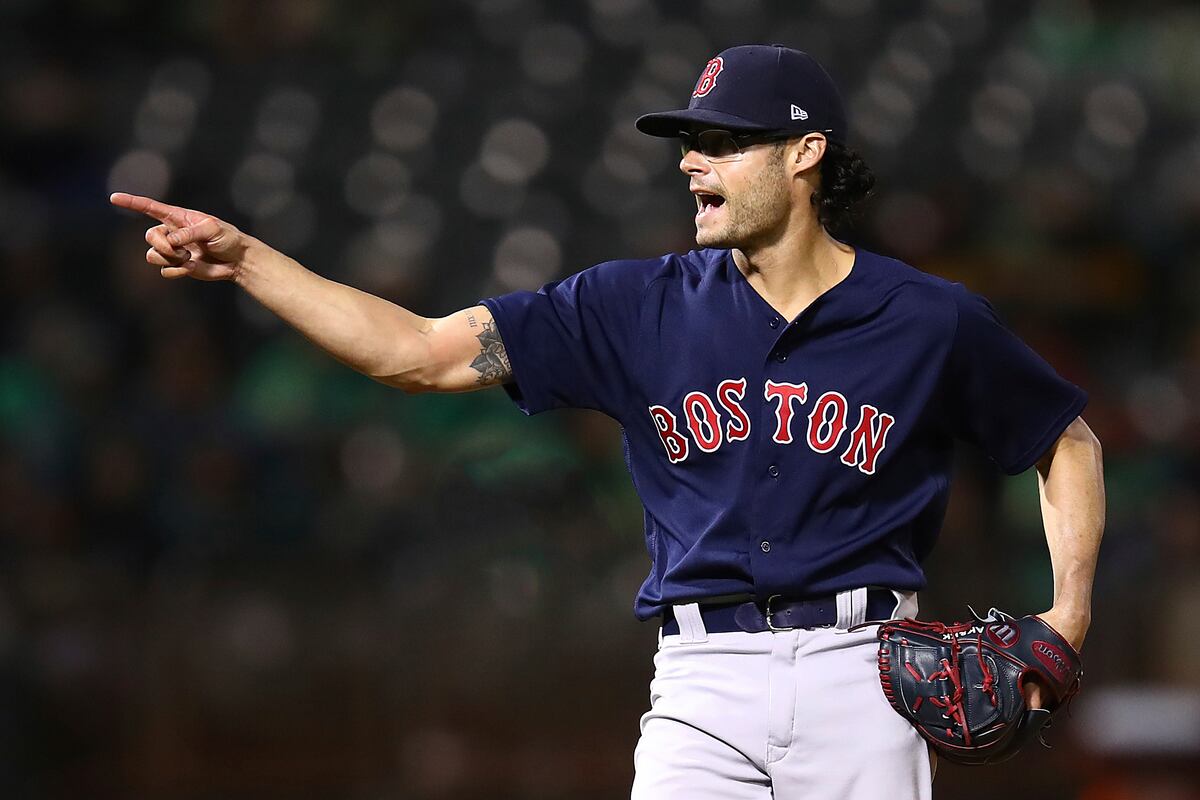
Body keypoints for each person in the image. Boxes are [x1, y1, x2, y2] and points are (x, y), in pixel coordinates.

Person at [112, 44, 1105, 800]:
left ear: (807, 154)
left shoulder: (927, 318)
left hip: (862, 675)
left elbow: (1064, 439)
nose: (694, 163)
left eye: (724, 142)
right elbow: (414, 350)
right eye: (691, 144)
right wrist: (250, 262)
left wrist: (1069, 609)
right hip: (701, 679)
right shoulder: (634, 306)